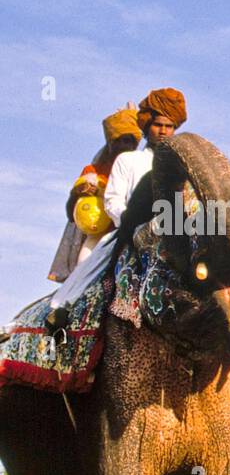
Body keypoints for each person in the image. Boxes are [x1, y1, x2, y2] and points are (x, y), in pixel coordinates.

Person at [48, 88, 188, 319]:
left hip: (170, 233)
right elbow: (113, 200)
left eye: (169, 126)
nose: (163, 131)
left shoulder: (181, 167)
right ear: (147, 127)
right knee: (91, 264)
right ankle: (62, 310)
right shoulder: (129, 161)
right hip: (131, 230)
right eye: (158, 125)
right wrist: (133, 224)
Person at [49, 105, 142, 281]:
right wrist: (76, 194)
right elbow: (71, 215)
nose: (125, 146)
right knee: (82, 272)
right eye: (120, 140)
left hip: (129, 234)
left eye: (129, 141)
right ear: (110, 143)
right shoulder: (93, 171)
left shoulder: (138, 169)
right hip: (97, 238)